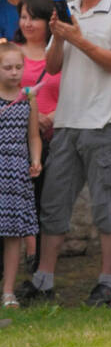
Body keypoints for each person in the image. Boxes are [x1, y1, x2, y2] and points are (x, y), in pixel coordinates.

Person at [19, 0, 111, 307]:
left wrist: (78, 39)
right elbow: (53, 68)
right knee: (54, 207)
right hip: (67, 122)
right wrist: (58, 34)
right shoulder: (67, 10)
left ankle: (105, 282)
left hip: (102, 122)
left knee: (105, 208)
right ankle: (44, 280)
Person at [15, 0, 62, 273]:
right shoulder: (8, 51)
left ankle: (41, 268)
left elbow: (72, 90)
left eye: (34, 18)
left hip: (54, 136)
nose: (27, 24)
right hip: (19, 137)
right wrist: (34, 117)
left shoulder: (59, 54)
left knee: (46, 202)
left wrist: (50, 117)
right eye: (23, 17)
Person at [0, 41, 41, 308]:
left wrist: (36, 159)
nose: (14, 72)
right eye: (7, 68)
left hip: (15, 173)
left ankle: (8, 292)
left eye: (18, 67)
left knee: (13, 235)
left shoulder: (28, 98)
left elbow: (34, 135)